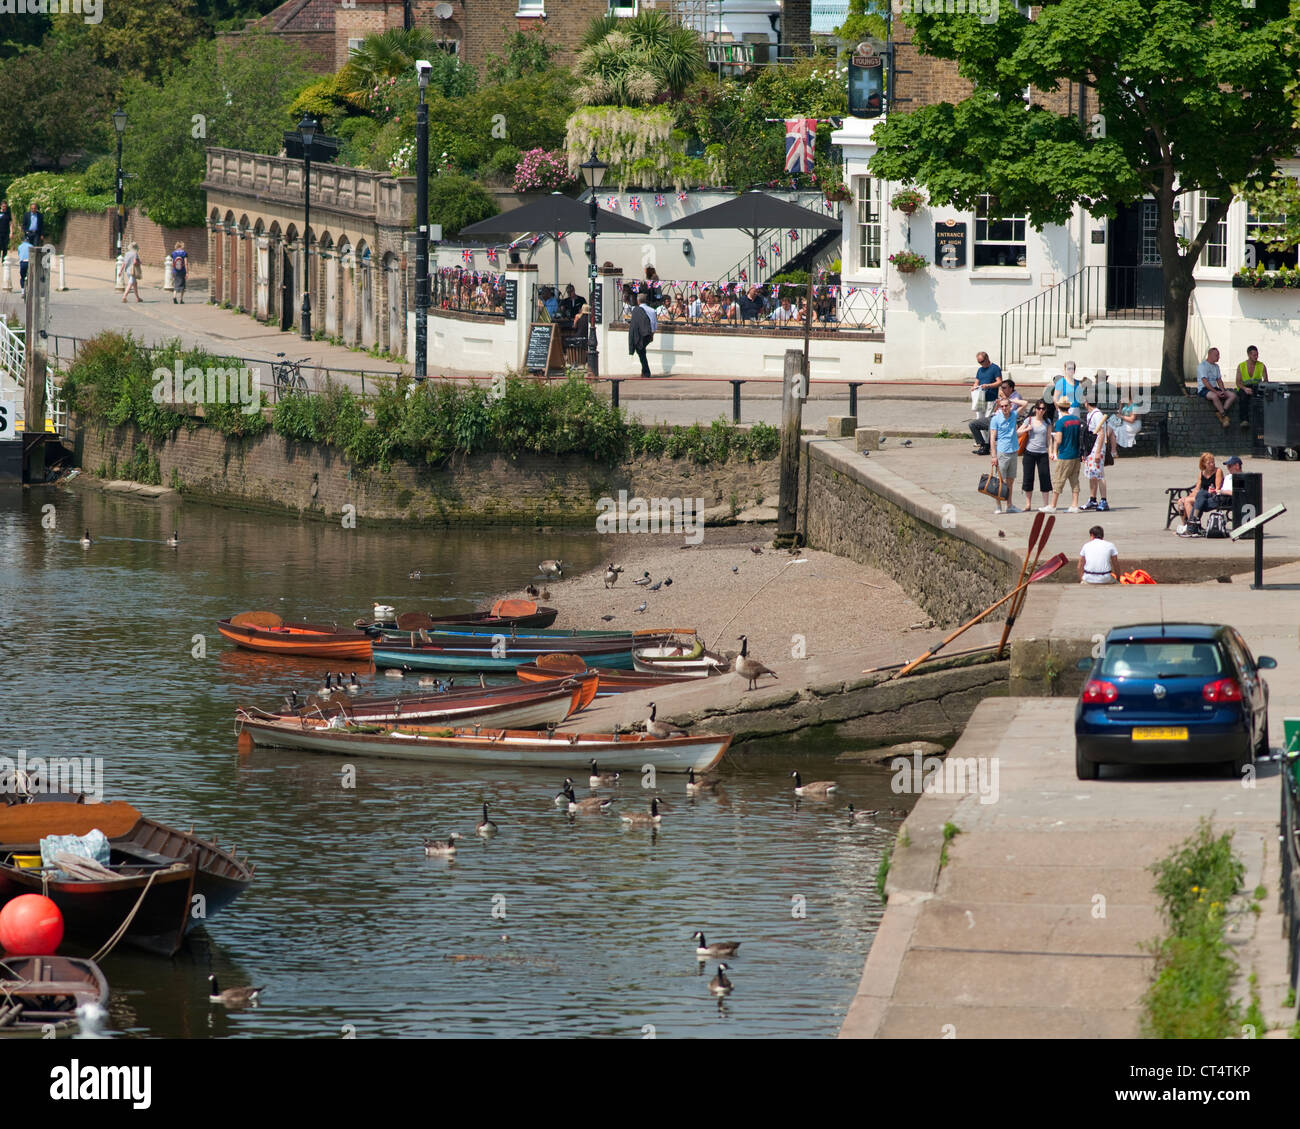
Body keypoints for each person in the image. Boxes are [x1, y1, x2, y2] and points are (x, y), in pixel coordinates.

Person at [1044, 394, 1084, 513]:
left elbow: (1059, 439)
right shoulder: (1077, 420)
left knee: (1058, 480)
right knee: (1074, 480)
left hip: (1065, 454)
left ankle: (1053, 505)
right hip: (1076, 454)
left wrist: (1055, 446)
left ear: (1058, 407)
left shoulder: (1061, 422)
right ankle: (1074, 505)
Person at [988, 397, 1021, 515]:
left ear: (1010, 406)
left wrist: (1013, 400)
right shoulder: (996, 419)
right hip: (1002, 452)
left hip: (1014, 451)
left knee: (1010, 481)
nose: (1004, 408)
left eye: (1006, 405)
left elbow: (1025, 404)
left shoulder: (1013, 415)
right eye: (1002, 406)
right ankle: (998, 506)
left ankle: (1009, 505)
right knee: (999, 481)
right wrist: (993, 455)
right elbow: (992, 438)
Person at [1081, 397, 1116, 512]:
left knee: (1099, 474)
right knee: (1092, 474)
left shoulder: (1097, 415)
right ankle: (1092, 499)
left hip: (1097, 449)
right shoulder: (1090, 414)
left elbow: (1101, 434)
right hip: (1091, 449)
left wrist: (1097, 452)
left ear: (1087, 403)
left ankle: (1104, 500)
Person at [1018, 399, 1053, 512]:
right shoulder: (1029, 420)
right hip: (1029, 453)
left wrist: (1051, 452)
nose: (1041, 411)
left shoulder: (1047, 422)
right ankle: (1028, 504)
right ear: (1035, 409)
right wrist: (1027, 429)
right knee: (1028, 478)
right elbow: (1017, 432)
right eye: (1039, 408)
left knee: (1045, 477)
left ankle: (1046, 504)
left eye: (1043, 409)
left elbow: (1049, 439)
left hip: (1042, 453)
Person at [1176, 451, 1222, 531]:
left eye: (1213, 462)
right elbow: (1197, 489)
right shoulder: (1202, 473)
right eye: (1209, 463)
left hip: (1211, 496)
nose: (1212, 464)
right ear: (1203, 463)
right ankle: (1186, 525)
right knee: (1181, 501)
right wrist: (1187, 497)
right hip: (1201, 496)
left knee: (1188, 501)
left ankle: (1192, 526)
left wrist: (1212, 490)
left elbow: (1218, 488)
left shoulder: (1218, 471)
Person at [969, 351, 1002, 454]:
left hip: (991, 398)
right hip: (981, 399)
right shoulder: (980, 370)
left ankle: (988, 445)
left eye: (982, 361)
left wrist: (988, 386)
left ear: (987, 358)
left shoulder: (995, 368)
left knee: (988, 422)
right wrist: (974, 387)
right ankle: (983, 444)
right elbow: (977, 382)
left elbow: (999, 382)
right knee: (979, 421)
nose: (981, 364)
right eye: (979, 362)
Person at [1196, 347, 1235, 428]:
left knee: (1232, 395)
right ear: (1210, 355)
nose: (1218, 357)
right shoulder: (1202, 366)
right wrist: (1216, 392)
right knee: (1214, 396)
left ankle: (1220, 412)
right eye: (1216, 355)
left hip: (1214, 388)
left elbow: (1219, 380)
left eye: (1218, 355)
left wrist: (1223, 390)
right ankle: (1224, 416)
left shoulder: (1216, 366)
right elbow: (1205, 382)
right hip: (1204, 389)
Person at [1235, 345, 1266, 431]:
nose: (1256, 357)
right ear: (1249, 355)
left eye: (1257, 355)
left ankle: (1261, 419)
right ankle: (1244, 420)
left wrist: (1261, 386)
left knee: (1262, 397)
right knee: (1243, 397)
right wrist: (1245, 388)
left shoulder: (1261, 365)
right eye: (1254, 355)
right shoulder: (1241, 366)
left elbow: (1266, 380)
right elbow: (1238, 382)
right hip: (1244, 387)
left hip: (1257, 386)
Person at [628, 293, 654, 377]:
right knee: (642, 351)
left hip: (639, 334)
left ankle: (646, 372)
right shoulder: (652, 310)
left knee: (641, 351)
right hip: (648, 334)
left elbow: (634, 324)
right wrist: (652, 334)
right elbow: (654, 323)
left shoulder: (636, 310)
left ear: (638, 301)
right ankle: (644, 371)